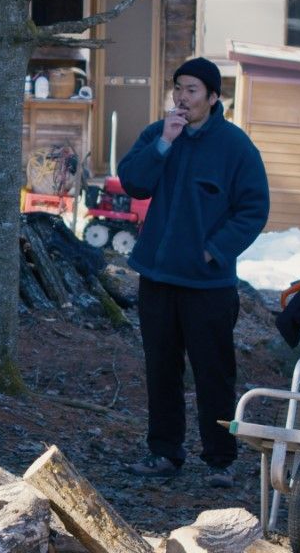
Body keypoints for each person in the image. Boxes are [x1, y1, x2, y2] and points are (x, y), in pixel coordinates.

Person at [118, 56, 268, 489]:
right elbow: (133, 182)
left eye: (192, 90)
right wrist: (164, 142)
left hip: (208, 284)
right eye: (178, 88)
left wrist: (214, 251)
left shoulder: (236, 147)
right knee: (161, 368)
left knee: (213, 371)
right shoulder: (159, 133)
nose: (182, 98)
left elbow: (253, 209)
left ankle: (220, 460)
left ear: (213, 97)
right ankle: (165, 452)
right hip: (158, 277)